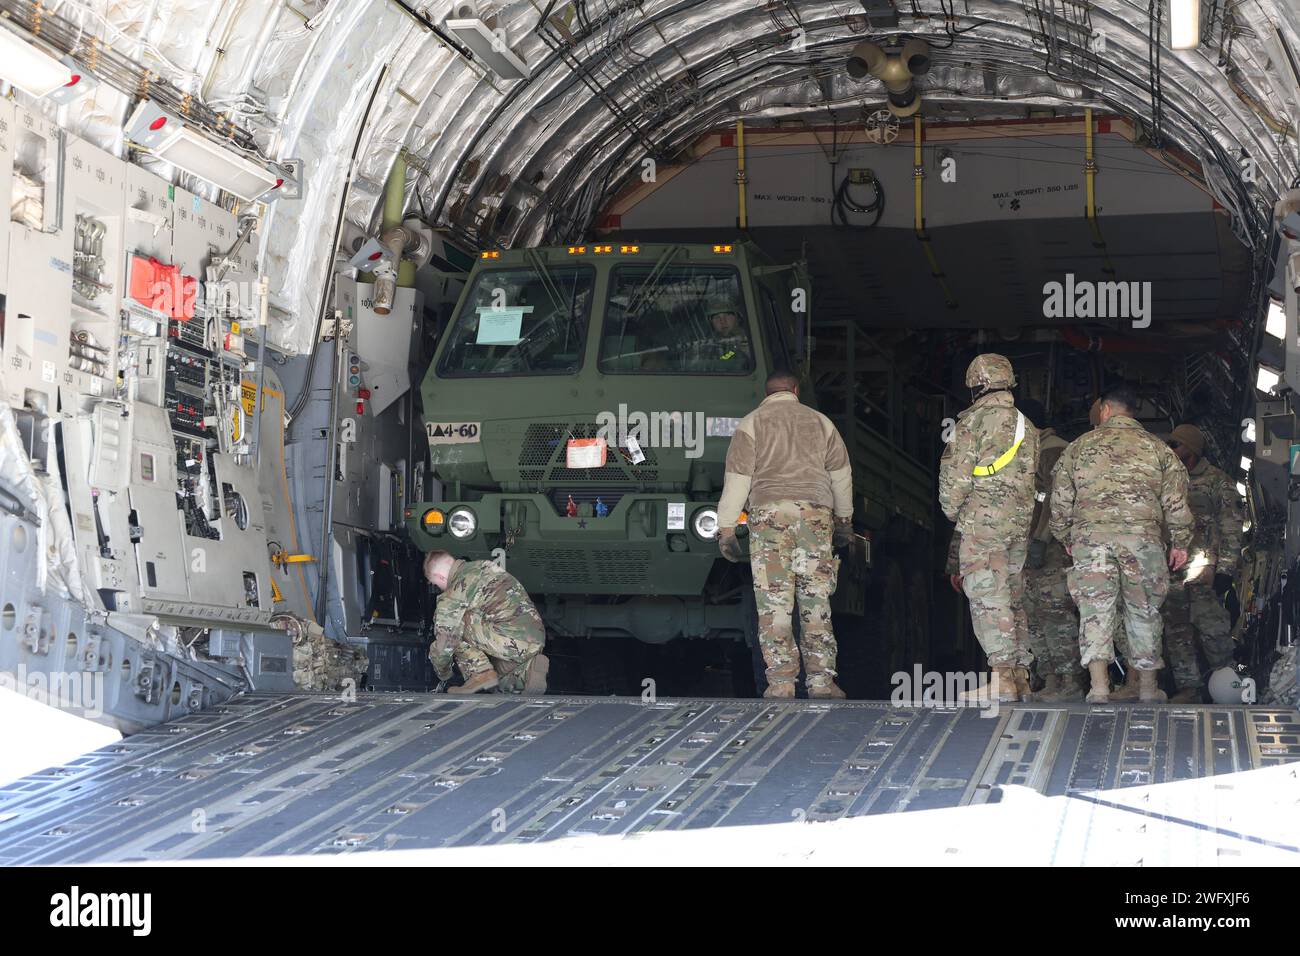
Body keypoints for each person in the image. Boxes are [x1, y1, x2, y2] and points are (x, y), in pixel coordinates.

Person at [1049, 386, 1193, 703]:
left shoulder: (1078, 448)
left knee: (1095, 611)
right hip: (1141, 543)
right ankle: (1146, 689)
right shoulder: (1158, 450)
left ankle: (1099, 689)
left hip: (1093, 543)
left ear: (1105, 410)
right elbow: (1176, 504)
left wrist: (1067, 538)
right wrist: (1180, 542)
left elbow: (1058, 503)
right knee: (1143, 610)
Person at [717, 370, 854, 699]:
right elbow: (841, 475)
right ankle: (822, 682)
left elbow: (738, 478)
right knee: (815, 602)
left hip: (769, 518)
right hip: (814, 517)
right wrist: (844, 520)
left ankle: (781, 683)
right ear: (795, 390)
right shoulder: (822, 423)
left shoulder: (751, 423)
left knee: (775, 605)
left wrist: (726, 528)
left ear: (766, 394)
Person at [939, 353, 1039, 702]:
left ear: (977, 386)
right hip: (1019, 522)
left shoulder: (971, 423)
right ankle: (1021, 674)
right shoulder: (1027, 426)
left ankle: (1000, 678)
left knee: (986, 593)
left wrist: (952, 511)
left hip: (984, 522)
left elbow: (954, 481)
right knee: (1012, 594)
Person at [1161, 424, 1242, 702]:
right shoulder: (1168, 479)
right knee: (1177, 632)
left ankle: (1228, 683)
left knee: (1213, 629)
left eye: (1176, 444)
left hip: (1203, 569)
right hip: (1171, 571)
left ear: (1191, 449)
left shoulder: (1217, 481)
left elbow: (1231, 526)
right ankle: (1189, 689)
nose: (1170, 449)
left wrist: (1226, 570)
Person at [1018, 399, 1084, 701]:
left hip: (1052, 551)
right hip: (1032, 549)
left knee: (1056, 614)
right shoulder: (1032, 450)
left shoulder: (1052, 449)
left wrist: (1042, 540)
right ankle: (1050, 679)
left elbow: (1054, 500)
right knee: (1034, 615)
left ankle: (1069, 681)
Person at [424, 550, 549, 695]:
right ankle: (527, 672)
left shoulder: (455, 591)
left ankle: (479, 673)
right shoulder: (485, 566)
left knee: (456, 626)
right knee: (496, 677)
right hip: (533, 638)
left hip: (509, 639)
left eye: (435, 583)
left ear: (440, 576)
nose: (438, 587)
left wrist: (444, 673)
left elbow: (445, 640)